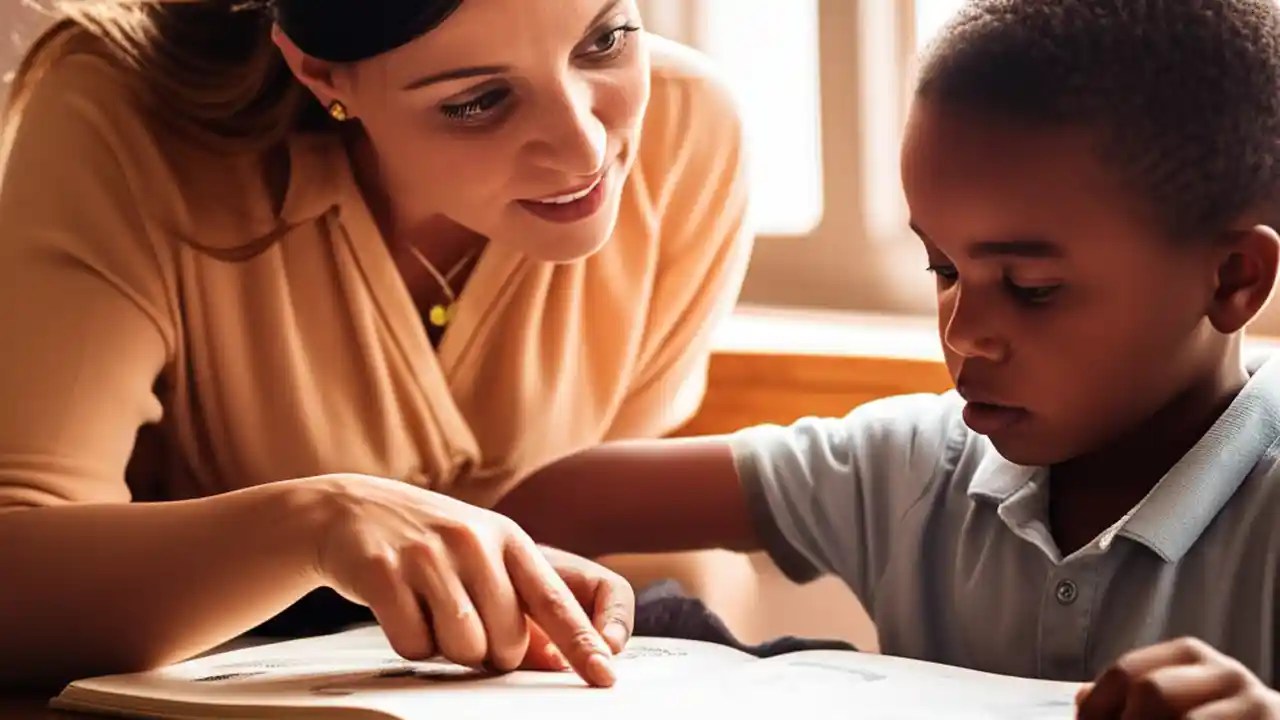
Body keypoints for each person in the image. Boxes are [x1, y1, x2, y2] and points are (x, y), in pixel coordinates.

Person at [498, 0, 1280, 716]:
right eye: (941, 269)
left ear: (1232, 280)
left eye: (1032, 288)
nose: (963, 330)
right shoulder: (921, 468)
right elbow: (551, 507)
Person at [0, 0, 753, 690]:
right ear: (320, 72)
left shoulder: (687, 132)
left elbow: (600, 526)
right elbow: (16, 577)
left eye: (605, 40)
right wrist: (316, 525)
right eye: (477, 102)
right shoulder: (125, 118)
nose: (583, 147)